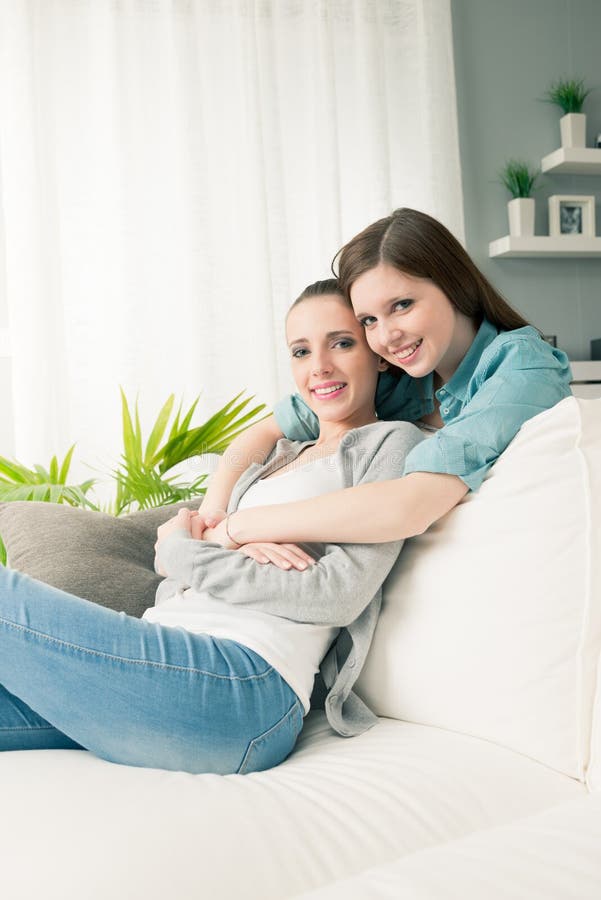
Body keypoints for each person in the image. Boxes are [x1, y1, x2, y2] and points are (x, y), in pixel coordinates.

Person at [0, 281, 423, 775]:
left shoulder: (390, 445)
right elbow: (181, 571)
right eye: (301, 351)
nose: (319, 367)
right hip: (168, 663)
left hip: (243, 686)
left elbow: (335, 595)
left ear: (377, 353)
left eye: (342, 343)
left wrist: (194, 550)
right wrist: (219, 540)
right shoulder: (275, 459)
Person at [196, 207, 572, 556]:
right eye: (369, 321)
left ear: (454, 285)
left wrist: (237, 528)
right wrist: (210, 515)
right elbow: (264, 432)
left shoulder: (522, 368)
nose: (387, 337)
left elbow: (410, 505)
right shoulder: (403, 376)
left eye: (402, 305)